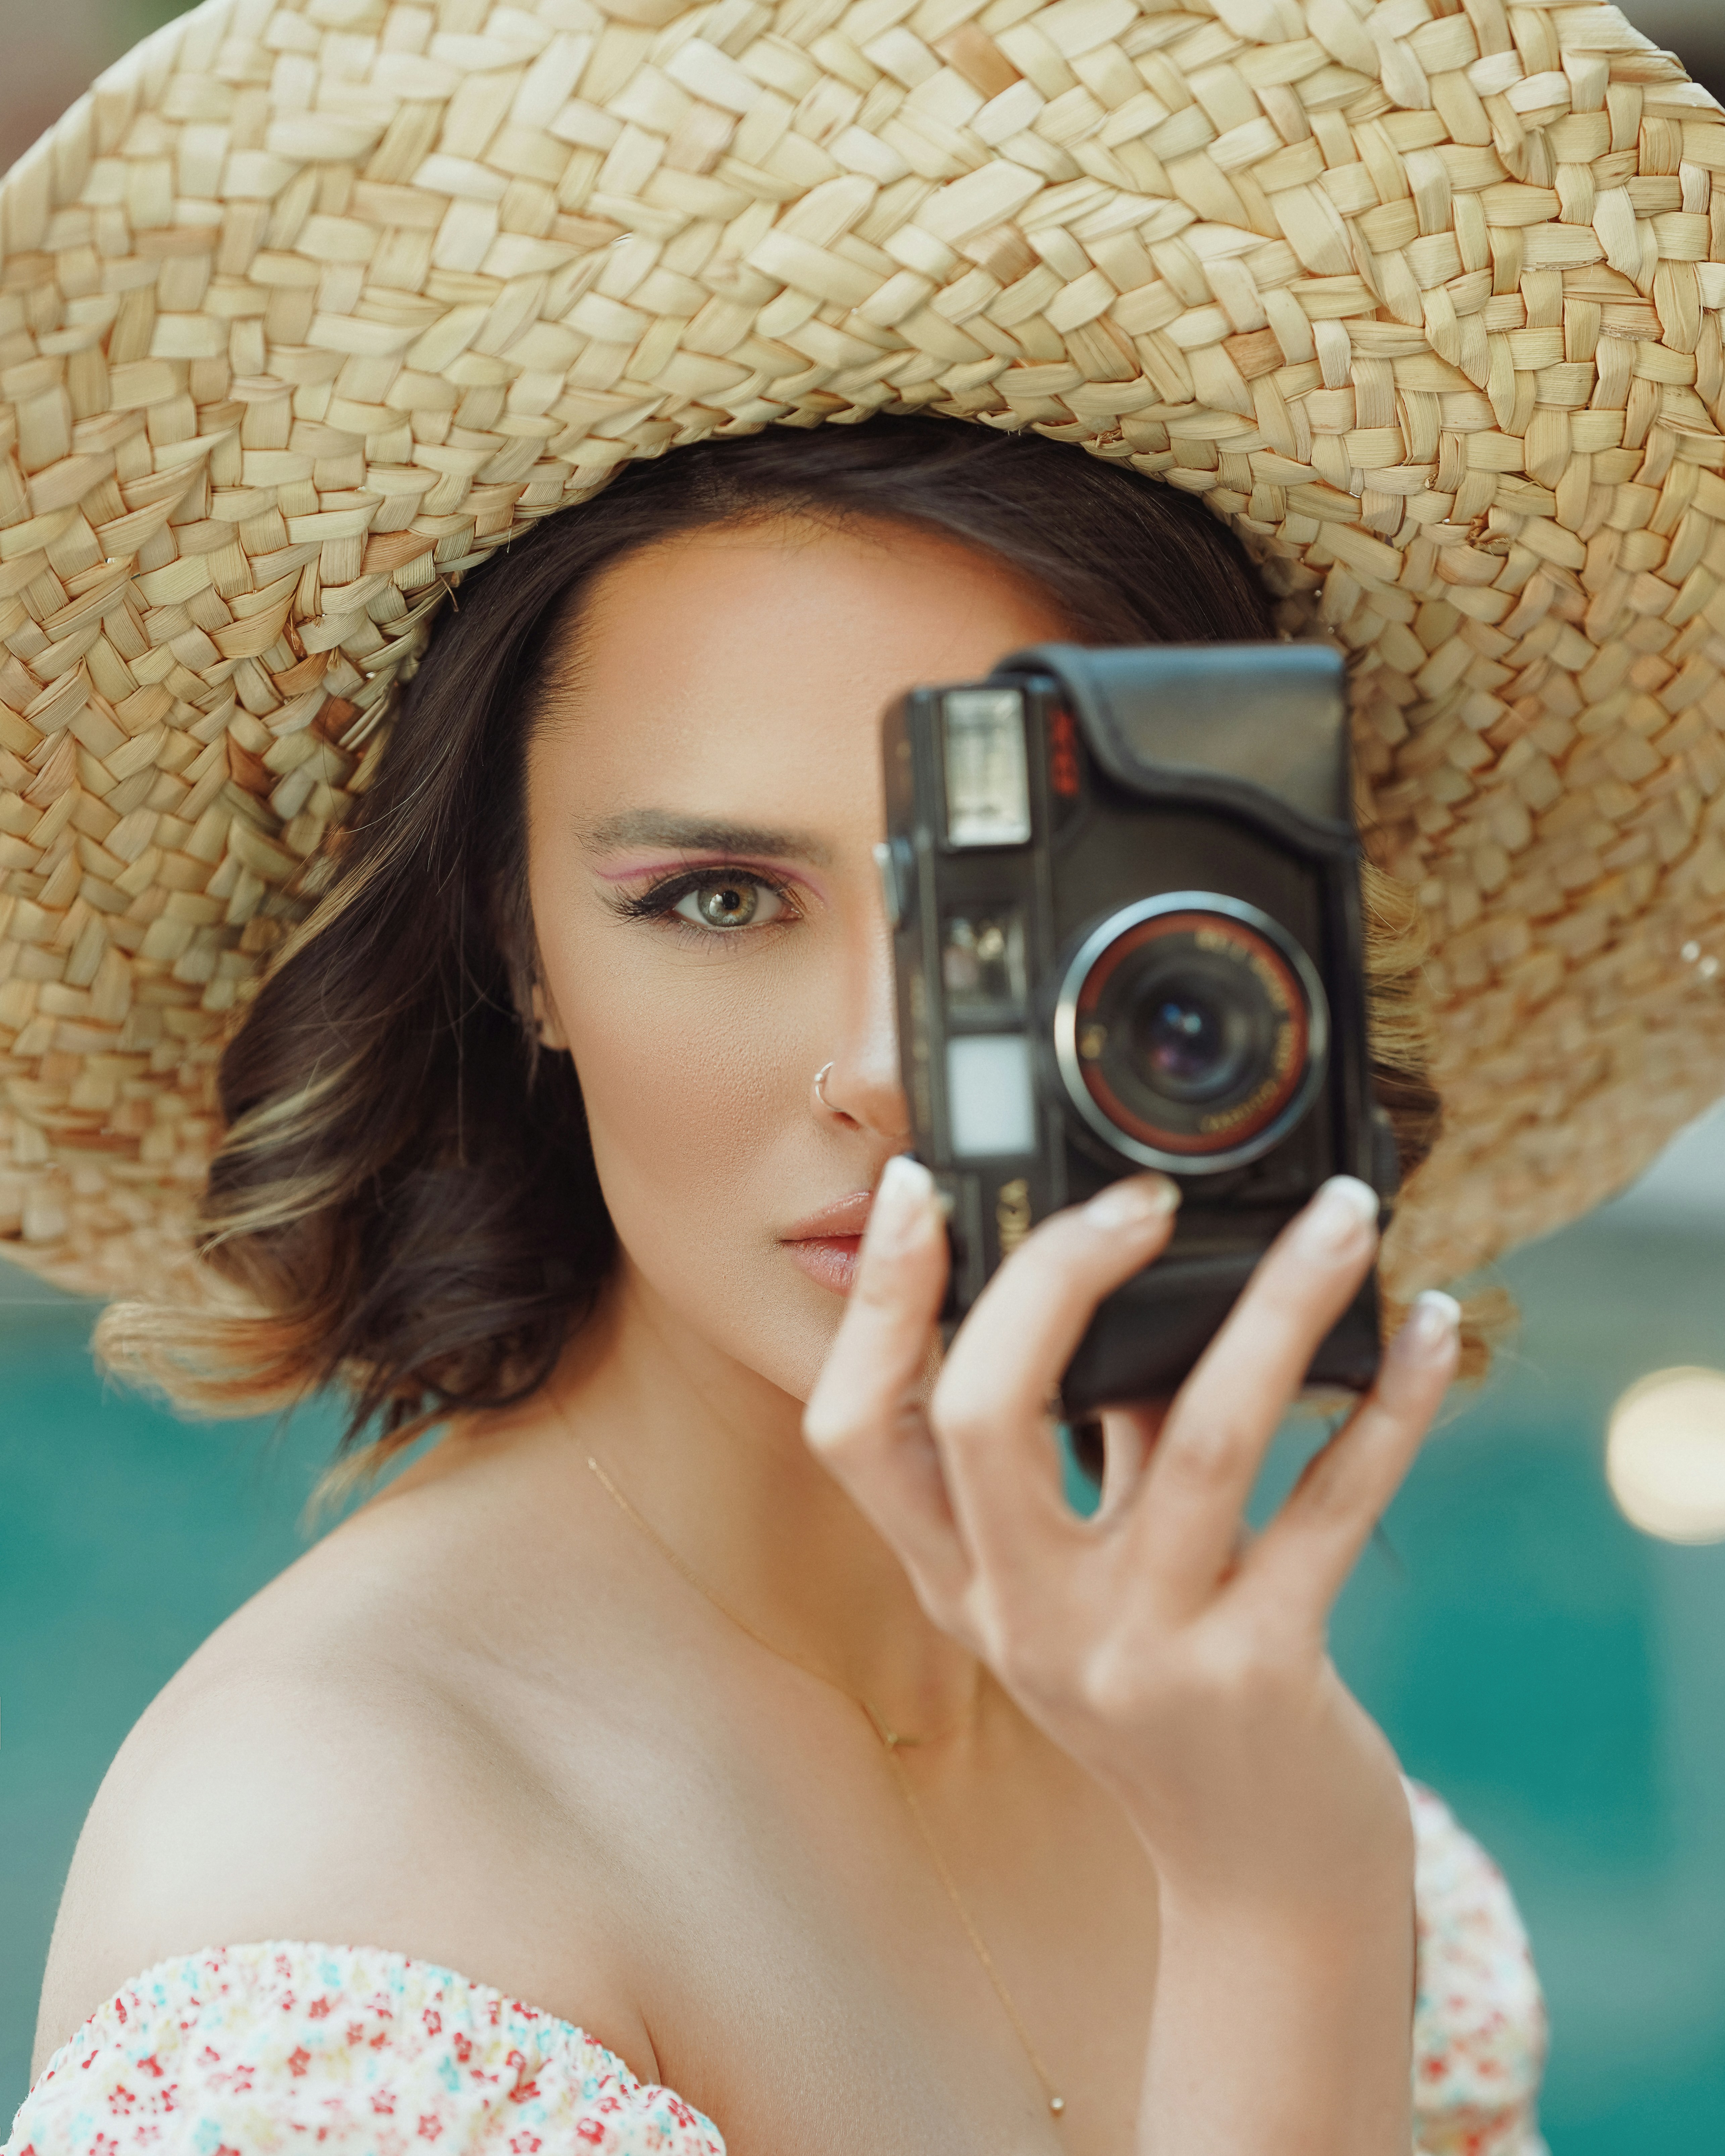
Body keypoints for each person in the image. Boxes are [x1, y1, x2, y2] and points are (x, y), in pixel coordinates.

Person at [9, 0, 1719, 2147]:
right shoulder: (342, 1901)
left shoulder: (1182, 1711)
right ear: (513, 945)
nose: (885, 1073)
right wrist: (1284, 1916)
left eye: (1002, 909)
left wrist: (1276, 1845)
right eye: (720, 897)